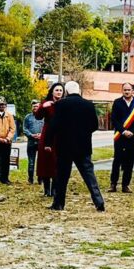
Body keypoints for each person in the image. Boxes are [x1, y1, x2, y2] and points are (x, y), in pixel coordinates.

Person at [47, 81, 104, 211]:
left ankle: (59, 203)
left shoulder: (61, 104)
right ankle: (99, 201)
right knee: (89, 175)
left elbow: (54, 124)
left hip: (64, 145)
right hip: (83, 145)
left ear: (66, 91)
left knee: (62, 176)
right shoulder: (88, 105)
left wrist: (49, 142)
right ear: (78, 91)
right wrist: (83, 132)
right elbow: (95, 125)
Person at [108, 84, 134, 193]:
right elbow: (114, 119)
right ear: (122, 90)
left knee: (130, 162)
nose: (127, 92)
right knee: (117, 161)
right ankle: (113, 184)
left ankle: (125, 185)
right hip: (120, 136)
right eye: (125, 90)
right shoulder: (117, 102)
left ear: (132, 90)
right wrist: (123, 131)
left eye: (129, 90)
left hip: (132, 137)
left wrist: (132, 131)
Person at [36, 82, 65, 197]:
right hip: (47, 134)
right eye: (56, 90)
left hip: (60, 135)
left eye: (60, 90)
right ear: (52, 91)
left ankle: (54, 189)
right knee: (45, 161)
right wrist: (43, 106)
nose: (59, 92)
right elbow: (38, 116)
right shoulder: (46, 103)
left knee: (56, 162)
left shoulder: (64, 103)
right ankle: (46, 189)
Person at [23, 103, 45, 183]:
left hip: (41, 142)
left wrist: (42, 134)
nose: (35, 107)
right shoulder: (27, 117)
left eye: (37, 106)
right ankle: (30, 179)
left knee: (41, 161)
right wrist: (31, 135)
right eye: (34, 106)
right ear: (31, 107)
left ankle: (40, 178)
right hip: (31, 142)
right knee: (31, 162)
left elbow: (47, 127)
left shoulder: (43, 116)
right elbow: (24, 129)